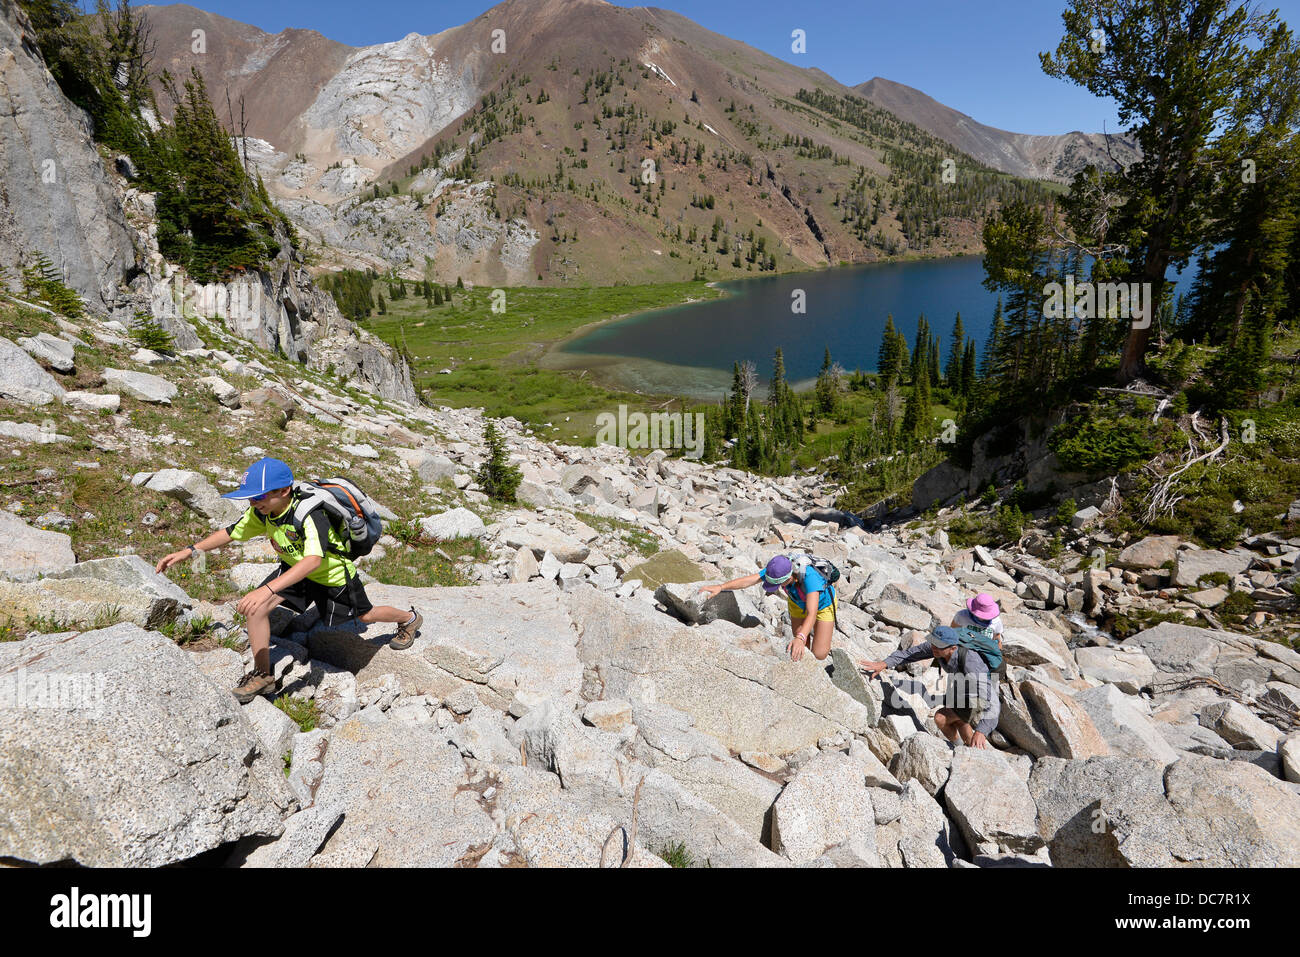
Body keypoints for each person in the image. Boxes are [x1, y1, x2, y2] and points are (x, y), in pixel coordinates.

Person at [155, 457, 423, 703]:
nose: (252, 503)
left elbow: (314, 560)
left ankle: (408, 619)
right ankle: (263, 675)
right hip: (295, 570)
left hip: (332, 577)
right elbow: (231, 532)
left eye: (257, 497)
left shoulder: (309, 514)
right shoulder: (263, 511)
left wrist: (267, 588)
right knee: (257, 608)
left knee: (365, 617)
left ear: (283, 492)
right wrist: (189, 551)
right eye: (249, 498)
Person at [859, 626, 1000, 749]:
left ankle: (964, 749)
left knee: (940, 718)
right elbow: (909, 654)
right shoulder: (936, 648)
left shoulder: (971, 662)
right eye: (933, 642)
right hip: (962, 681)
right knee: (958, 717)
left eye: (938, 645)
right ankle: (968, 750)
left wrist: (982, 731)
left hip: (981, 686)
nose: (933, 648)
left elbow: (993, 702)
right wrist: (884, 663)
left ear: (953, 648)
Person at [699, 554, 838, 661]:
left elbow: (812, 613)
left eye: (778, 585)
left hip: (823, 605)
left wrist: (800, 638)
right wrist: (721, 587)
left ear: (788, 578)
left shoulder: (810, 578)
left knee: (819, 653)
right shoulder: (777, 570)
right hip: (797, 602)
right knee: (801, 649)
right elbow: (749, 580)